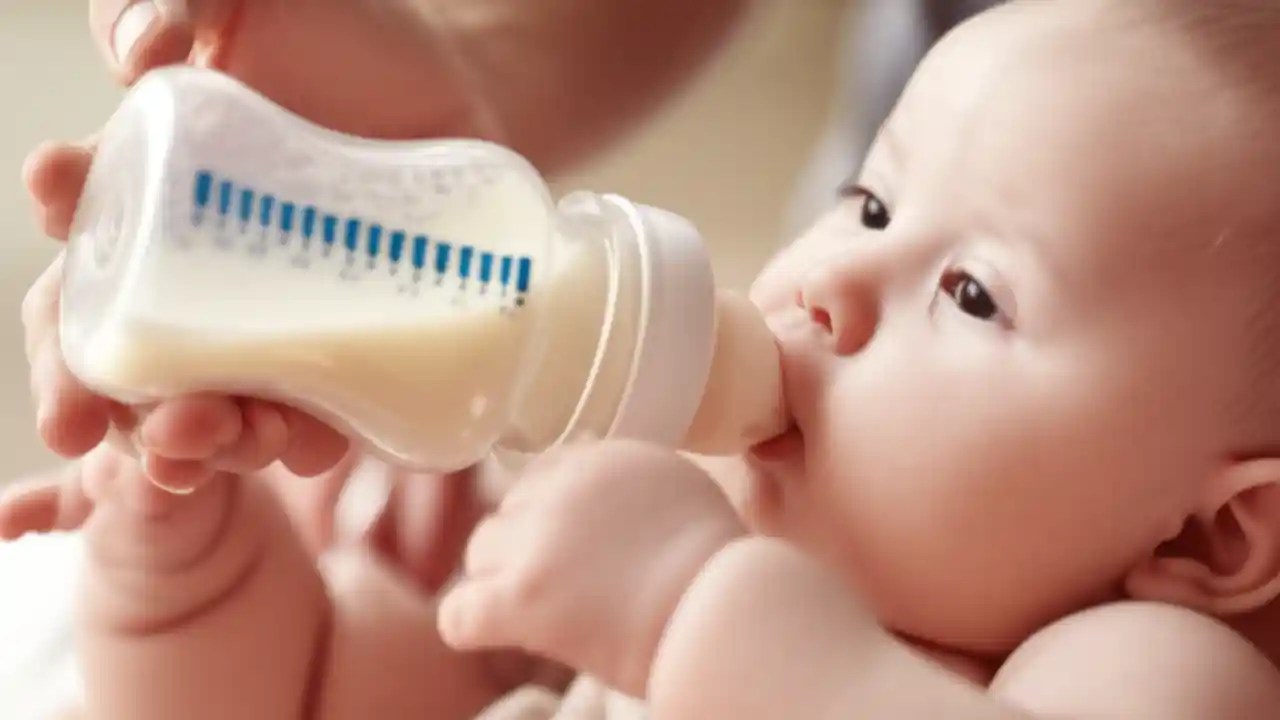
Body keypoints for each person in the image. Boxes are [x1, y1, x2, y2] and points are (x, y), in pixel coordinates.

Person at [13, 0, 1280, 718]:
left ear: (1203, 541)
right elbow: (316, 701)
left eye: (970, 291)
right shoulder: (636, 609)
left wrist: (684, 607)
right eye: (870, 203)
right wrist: (192, 570)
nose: (826, 279)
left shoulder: (1135, 671)